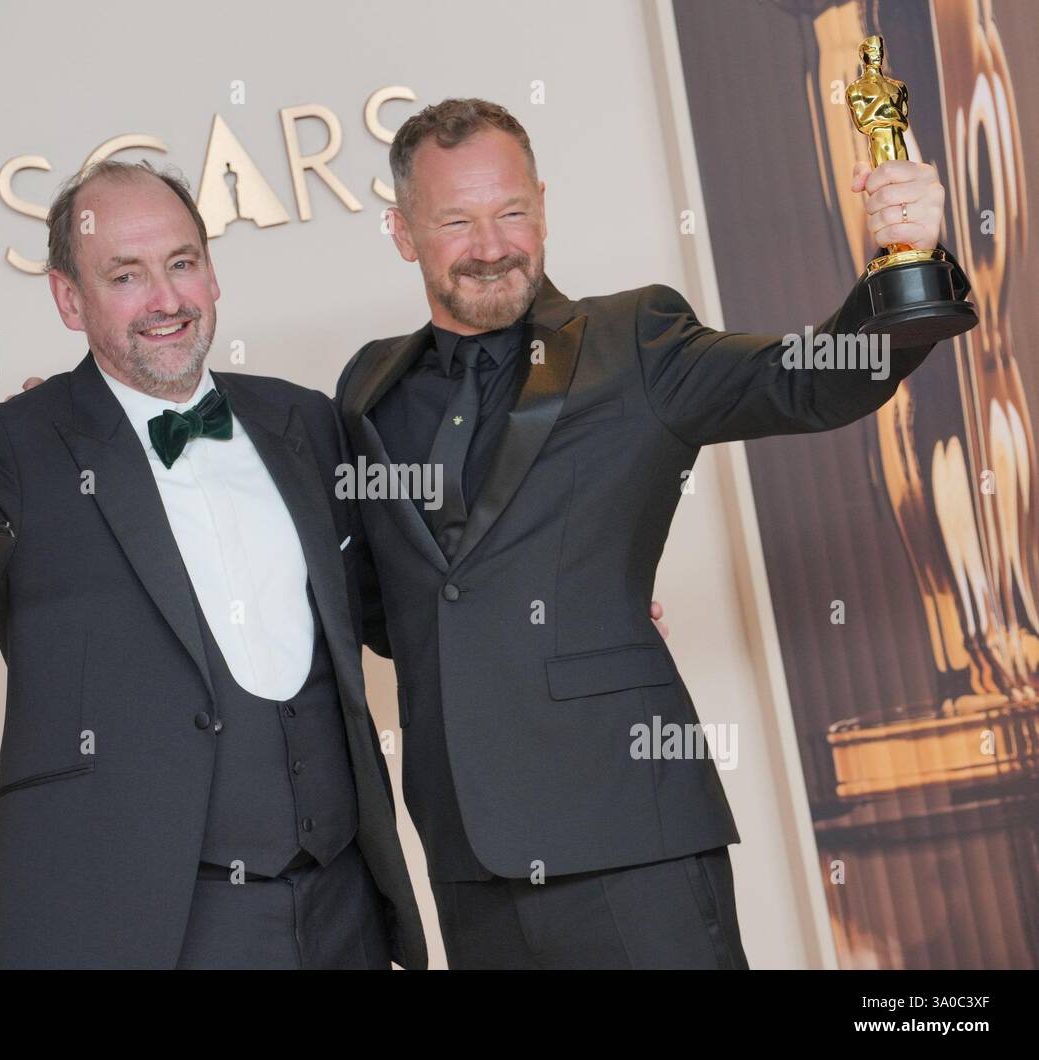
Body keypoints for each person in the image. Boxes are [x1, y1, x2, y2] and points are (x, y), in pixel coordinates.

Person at [334, 97, 966, 969]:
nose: (492, 245)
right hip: (468, 861)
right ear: (404, 233)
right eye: (456, 222)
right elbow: (386, 600)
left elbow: (814, 380)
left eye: (513, 211)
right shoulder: (368, 387)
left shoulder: (634, 339)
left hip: (633, 838)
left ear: (544, 206)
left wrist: (909, 260)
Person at [0, 159, 427, 969]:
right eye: (126, 275)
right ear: (69, 299)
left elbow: (391, 607)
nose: (167, 300)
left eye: (182, 263)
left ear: (212, 273)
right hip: (145, 930)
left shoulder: (305, 419)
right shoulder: (13, 448)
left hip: (342, 912)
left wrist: (566, 603)